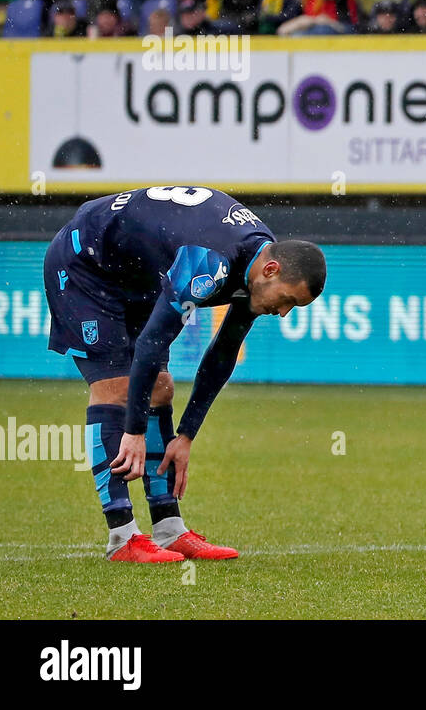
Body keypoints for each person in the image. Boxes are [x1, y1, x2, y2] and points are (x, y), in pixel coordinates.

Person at [42, 187, 325, 561]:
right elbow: (149, 346)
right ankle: (122, 537)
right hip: (86, 264)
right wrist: (134, 431)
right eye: (288, 300)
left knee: (160, 388)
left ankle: (168, 530)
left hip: (135, 273)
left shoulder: (258, 261)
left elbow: (223, 352)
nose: (284, 312)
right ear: (271, 270)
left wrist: (186, 435)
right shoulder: (209, 263)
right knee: (114, 389)